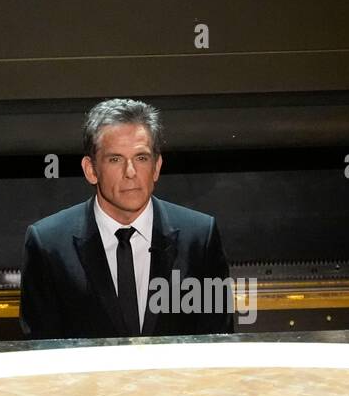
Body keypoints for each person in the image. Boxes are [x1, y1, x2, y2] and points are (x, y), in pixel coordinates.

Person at [19, 98, 235, 340]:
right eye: (115, 159)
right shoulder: (48, 244)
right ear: (91, 170)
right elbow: (42, 354)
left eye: (141, 158)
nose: (130, 172)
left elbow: (217, 346)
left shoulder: (200, 237)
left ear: (156, 167)